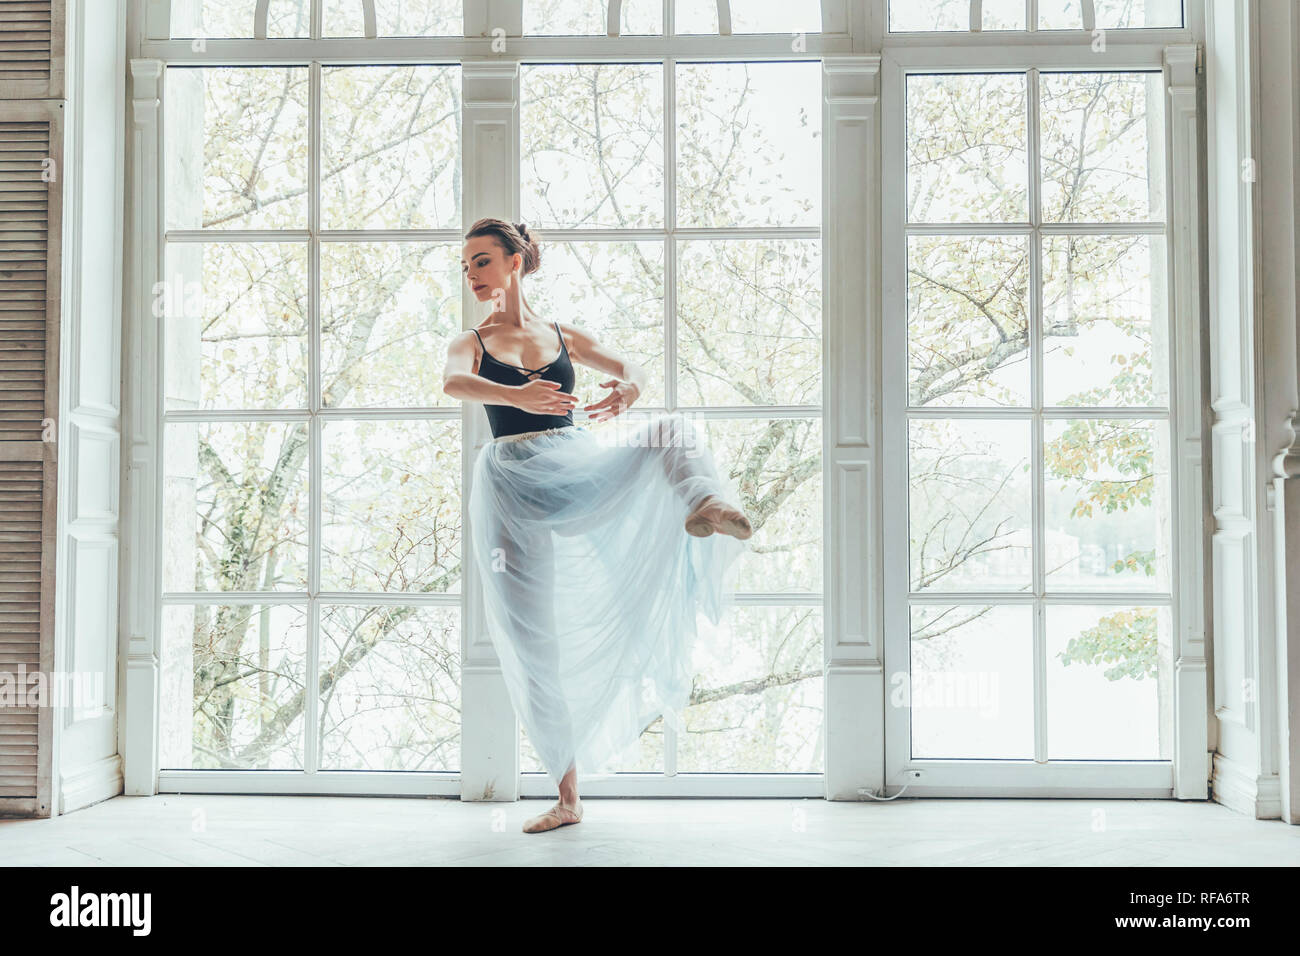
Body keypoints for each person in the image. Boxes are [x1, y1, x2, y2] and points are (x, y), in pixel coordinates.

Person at [443, 218, 752, 833]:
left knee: (674, 430)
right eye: (466, 265)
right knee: (537, 643)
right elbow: (453, 381)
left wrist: (630, 389)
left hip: (572, 465)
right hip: (511, 487)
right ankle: (567, 797)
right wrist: (517, 399)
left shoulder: (562, 335)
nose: (471, 273)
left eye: (481, 261)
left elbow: (627, 365)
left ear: (516, 261)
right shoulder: (472, 341)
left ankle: (707, 504)